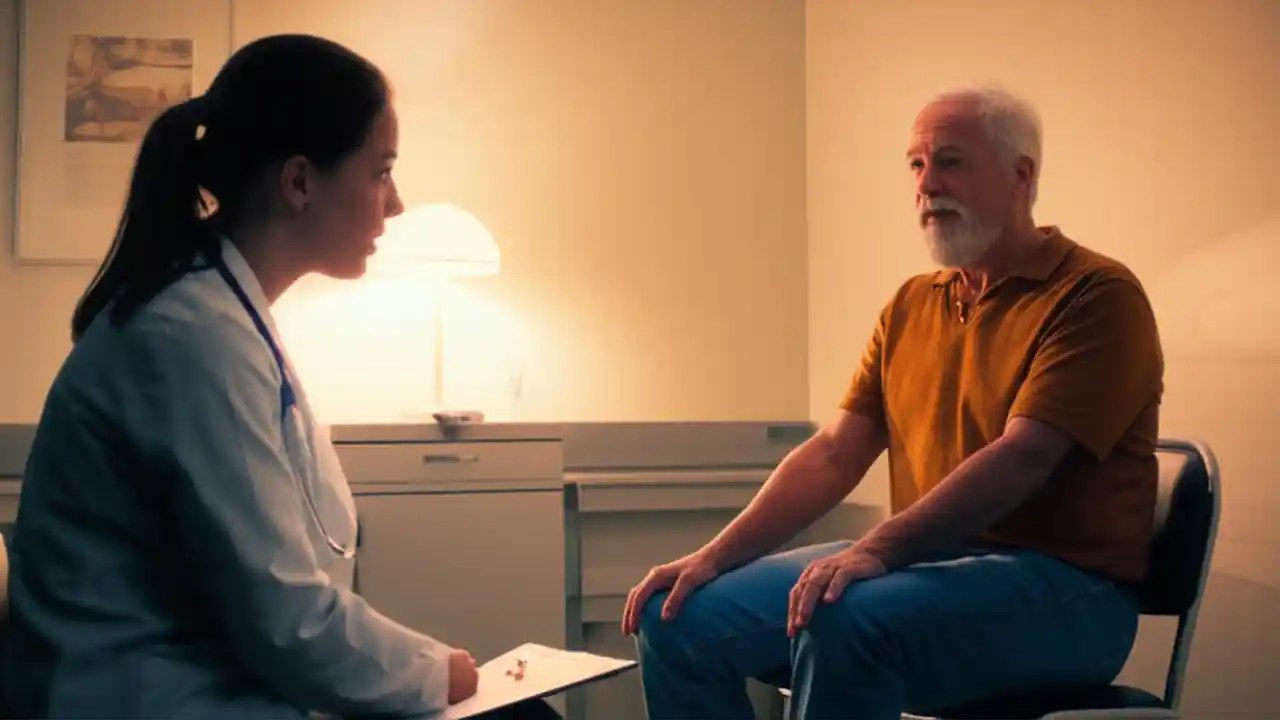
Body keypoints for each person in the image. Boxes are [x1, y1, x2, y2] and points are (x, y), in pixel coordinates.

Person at [1, 34, 556, 720]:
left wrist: (430, 670)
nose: (396, 204)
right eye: (380, 171)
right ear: (298, 183)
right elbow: (288, 622)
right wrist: (440, 673)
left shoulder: (214, 314)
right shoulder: (190, 337)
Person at [623, 85, 1163, 719]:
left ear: (1022, 175)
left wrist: (874, 550)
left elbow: (1023, 456)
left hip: (1072, 595)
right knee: (677, 618)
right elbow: (832, 453)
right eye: (916, 163)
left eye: (951, 161)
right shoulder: (912, 304)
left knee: (845, 620)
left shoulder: (1097, 295)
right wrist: (714, 556)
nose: (926, 184)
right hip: (932, 565)